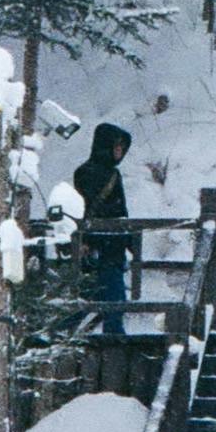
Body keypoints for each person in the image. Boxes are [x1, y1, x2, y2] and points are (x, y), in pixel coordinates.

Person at [72, 122, 135, 326]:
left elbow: (120, 212)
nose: (119, 151)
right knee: (113, 300)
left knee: (98, 297)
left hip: (107, 246)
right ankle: (114, 342)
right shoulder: (87, 173)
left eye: (122, 148)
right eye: (116, 146)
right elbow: (88, 208)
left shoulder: (108, 174)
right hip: (101, 246)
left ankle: (55, 333)